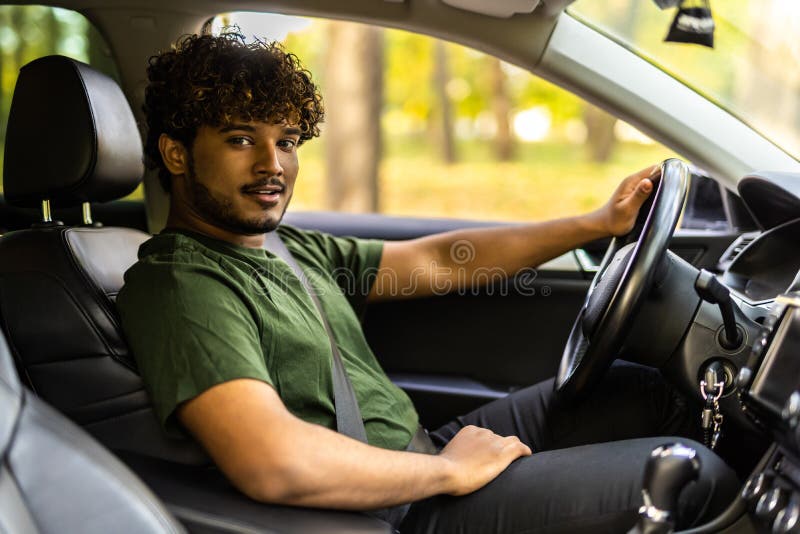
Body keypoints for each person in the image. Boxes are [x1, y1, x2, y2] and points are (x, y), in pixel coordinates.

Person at [117, 32, 738, 533]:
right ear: (176, 154)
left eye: (286, 141)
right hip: (396, 508)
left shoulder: (281, 244)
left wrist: (594, 224)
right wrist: (447, 473)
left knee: (654, 391)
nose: (272, 164)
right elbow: (272, 463)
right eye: (240, 140)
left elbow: (444, 260)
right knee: (690, 477)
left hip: (418, 454)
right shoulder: (182, 285)